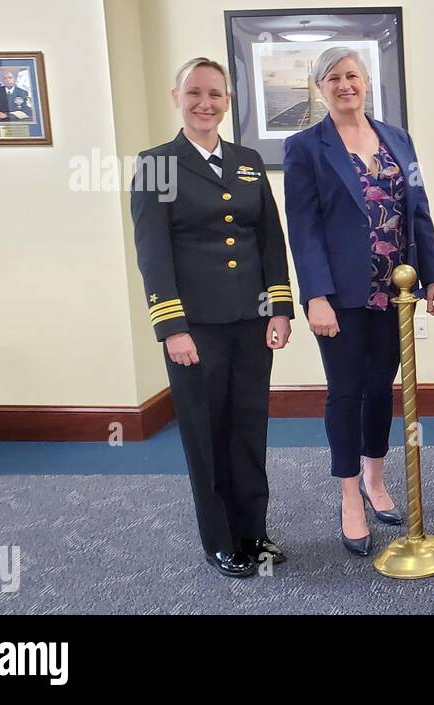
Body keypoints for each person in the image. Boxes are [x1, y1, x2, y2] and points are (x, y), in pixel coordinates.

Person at [131, 57, 294, 578]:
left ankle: (254, 531)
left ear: (228, 101)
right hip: (195, 328)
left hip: (250, 322)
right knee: (205, 432)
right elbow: (152, 252)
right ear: (175, 97)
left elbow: (270, 239)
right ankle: (221, 540)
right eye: (195, 93)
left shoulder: (247, 161)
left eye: (216, 95)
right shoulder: (157, 163)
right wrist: (172, 327)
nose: (206, 103)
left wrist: (279, 309)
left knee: (249, 429)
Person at [283, 47, 434, 556]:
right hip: (342, 295)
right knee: (346, 391)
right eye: (333, 78)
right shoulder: (305, 147)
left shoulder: (398, 139)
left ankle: (376, 481)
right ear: (320, 87)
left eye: (352, 75)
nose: (344, 84)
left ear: (367, 82)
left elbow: (418, 207)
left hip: (395, 292)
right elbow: (304, 229)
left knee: (381, 389)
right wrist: (316, 297)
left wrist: (433, 276)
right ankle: (349, 495)